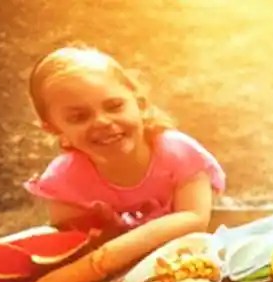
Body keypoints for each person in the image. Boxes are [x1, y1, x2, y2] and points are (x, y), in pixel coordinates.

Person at [25, 46, 225, 242]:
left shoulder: (179, 153)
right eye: (79, 117)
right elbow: (72, 245)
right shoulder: (64, 181)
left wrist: (118, 251)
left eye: (114, 106)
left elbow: (195, 220)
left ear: (140, 103)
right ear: (55, 129)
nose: (102, 121)